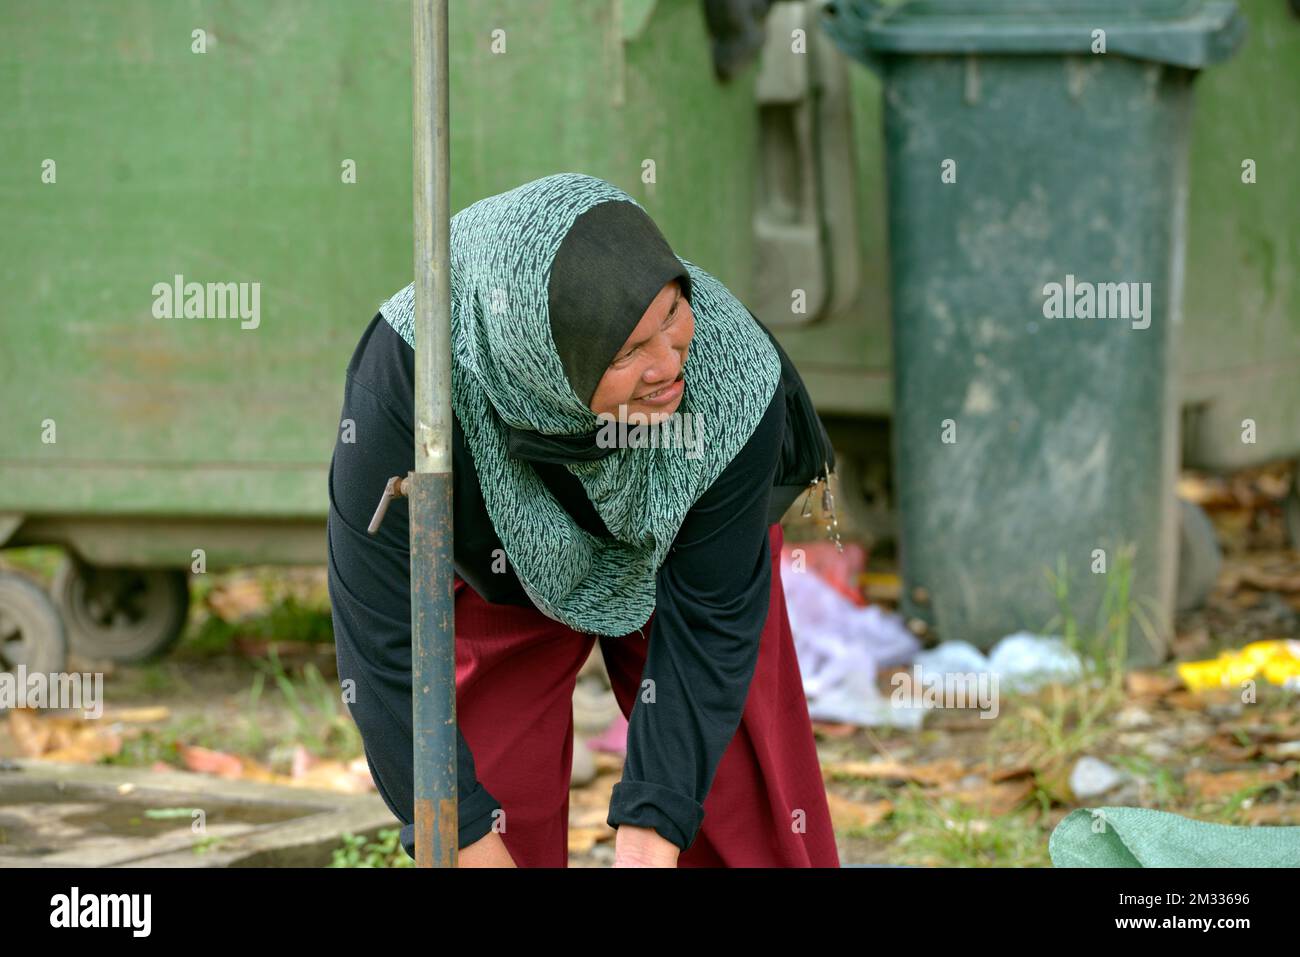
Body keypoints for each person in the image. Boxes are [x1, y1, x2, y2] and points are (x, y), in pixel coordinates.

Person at [326, 172, 840, 868]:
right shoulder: (411, 379)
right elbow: (381, 639)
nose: (669, 363)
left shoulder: (732, 377)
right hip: (498, 561)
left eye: (672, 315)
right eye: (629, 351)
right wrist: (461, 837)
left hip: (682, 546)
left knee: (737, 802)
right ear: (545, 360)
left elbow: (711, 623)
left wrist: (650, 832)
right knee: (489, 811)